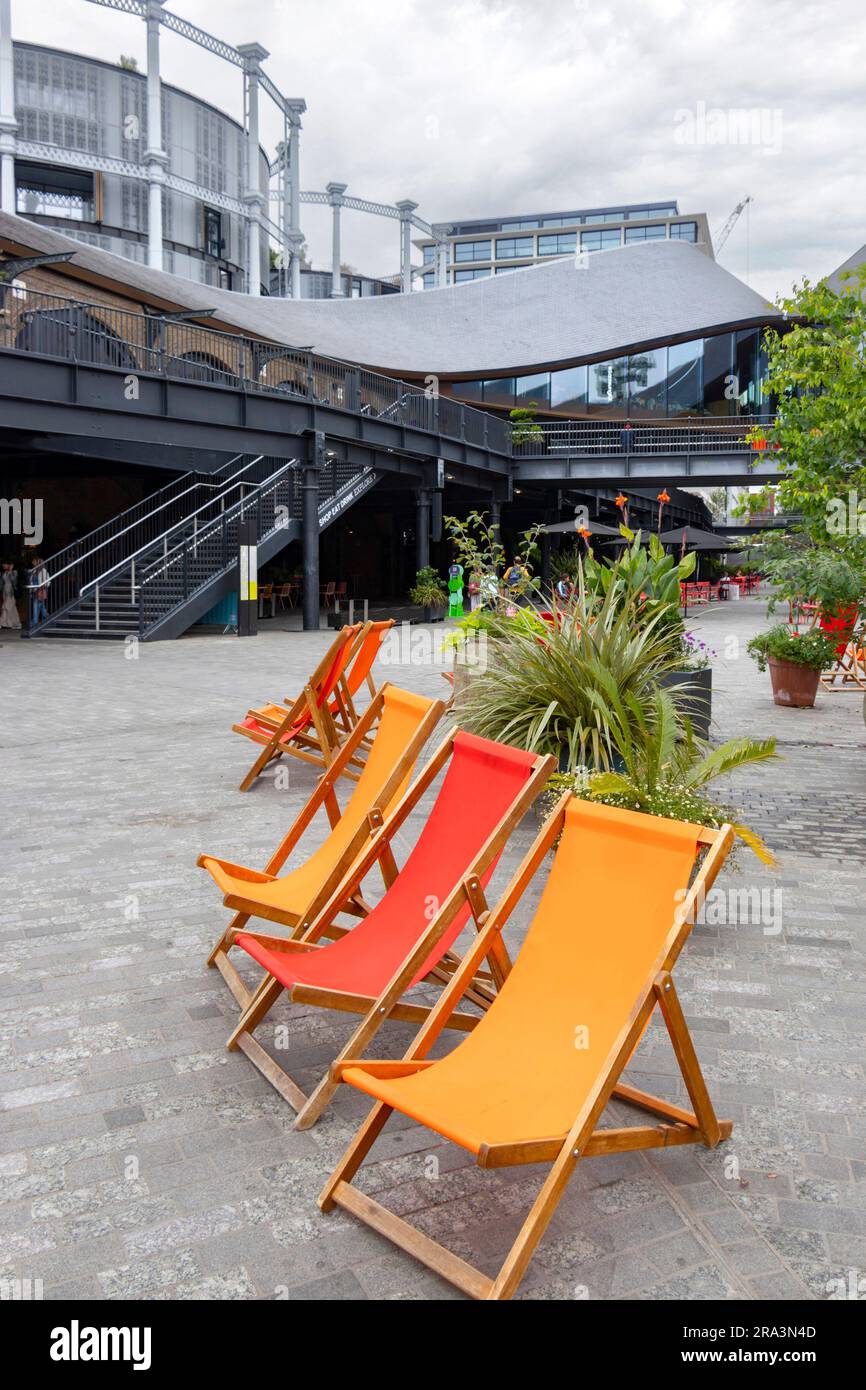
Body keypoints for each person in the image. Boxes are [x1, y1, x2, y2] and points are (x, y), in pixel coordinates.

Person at [29, 556, 50, 627]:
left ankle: (35, 621)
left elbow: (48, 581)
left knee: (36, 605)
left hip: (41, 590)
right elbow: (31, 581)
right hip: (35, 590)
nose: (34, 563)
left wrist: (43, 586)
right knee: (40, 606)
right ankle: (46, 617)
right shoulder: (34, 571)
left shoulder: (43, 571)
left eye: (35, 562)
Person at [0, 562, 21, 630]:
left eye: (4, 564)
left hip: (10, 593)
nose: (3, 566)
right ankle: (8, 623)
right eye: (3, 565)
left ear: (9, 565)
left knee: (6, 607)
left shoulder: (14, 572)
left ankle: (2, 623)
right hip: (5, 592)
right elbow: (2, 583)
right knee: (10, 608)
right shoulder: (4, 573)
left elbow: (14, 581)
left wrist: (11, 571)